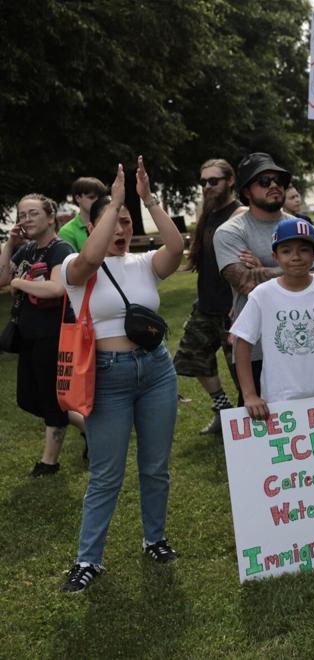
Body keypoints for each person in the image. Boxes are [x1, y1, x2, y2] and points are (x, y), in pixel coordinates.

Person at [58, 158, 185, 592]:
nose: (121, 229)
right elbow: (91, 256)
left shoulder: (144, 262)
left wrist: (147, 199)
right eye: (113, 221)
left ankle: (155, 539)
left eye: (127, 221)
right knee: (106, 474)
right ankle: (88, 560)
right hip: (107, 377)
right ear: (93, 226)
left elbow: (176, 247)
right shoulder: (75, 266)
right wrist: (112, 203)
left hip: (156, 371)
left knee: (155, 466)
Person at [214, 153, 314, 401]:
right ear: (246, 191)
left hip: (308, 343)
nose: (274, 185)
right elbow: (246, 283)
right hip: (256, 348)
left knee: (312, 412)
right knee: (260, 416)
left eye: (279, 180)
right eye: (264, 181)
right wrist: (299, 271)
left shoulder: (304, 228)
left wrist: (265, 270)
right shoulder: (230, 232)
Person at [230, 218, 314, 420]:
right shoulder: (262, 295)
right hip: (278, 400)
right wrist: (249, 395)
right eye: (286, 251)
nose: (296, 257)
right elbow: (242, 344)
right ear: (275, 256)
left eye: (304, 250)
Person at [0, 194, 84, 476]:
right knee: (27, 399)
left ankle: (49, 462)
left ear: (50, 217)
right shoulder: (27, 250)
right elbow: (1, 279)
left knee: (51, 398)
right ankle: (89, 429)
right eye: (22, 215)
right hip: (28, 335)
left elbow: (56, 288)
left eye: (33, 213)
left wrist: (19, 282)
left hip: (53, 334)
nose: (26, 219)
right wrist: (9, 244)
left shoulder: (61, 249)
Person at [172, 159, 243, 434]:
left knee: (243, 372)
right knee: (192, 356)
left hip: (233, 309)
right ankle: (223, 409)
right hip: (206, 305)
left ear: (230, 181)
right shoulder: (209, 214)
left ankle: (253, 427)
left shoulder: (240, 214)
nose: (207, 186)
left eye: (214, 181)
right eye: (203, 182)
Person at [58, 177, 108, 251]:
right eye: (91, 197)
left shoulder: (111, 224)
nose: (97, 201)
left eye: (100, 197)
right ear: (78, 198)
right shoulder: (67, 231)